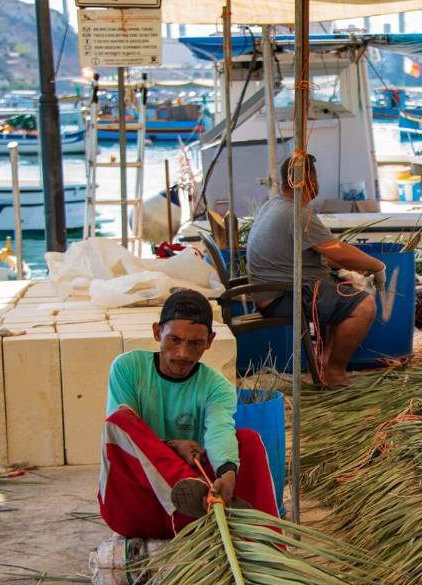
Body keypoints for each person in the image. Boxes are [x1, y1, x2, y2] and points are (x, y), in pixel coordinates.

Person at [98, 290, 280, 540]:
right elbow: (121, 437)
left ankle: (267, 542)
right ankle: (186, 489)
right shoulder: (128, 368)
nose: (182, 353)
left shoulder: (216, 387)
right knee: (119, 420)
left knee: (248, 441)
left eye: (195, 343)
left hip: (196, 513)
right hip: (137, 506)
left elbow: (220, 430)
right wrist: (172, 448)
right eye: (173, 340)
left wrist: (227, 474)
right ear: (156, 332)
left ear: (210, 341)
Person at [245, 154, 386, 387]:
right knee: (364, 305)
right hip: (282, 296)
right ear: (309, 180)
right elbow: (336, 250)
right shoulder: (297, 214)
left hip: (272, 291)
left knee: (345, 291)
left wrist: (348, 270)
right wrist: (376, 266)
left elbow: (322, 255)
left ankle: (324, 361)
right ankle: (335, 372)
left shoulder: (274, 204)